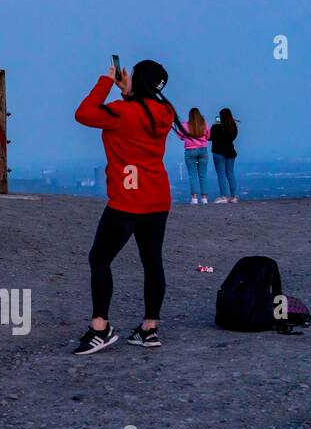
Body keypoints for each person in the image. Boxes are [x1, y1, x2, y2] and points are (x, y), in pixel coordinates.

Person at [72, 60, 182, 354]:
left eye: (131, 74)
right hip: (157, 199)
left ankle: (100, 327)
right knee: (152, 262)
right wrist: (129, 93)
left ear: (140, 80)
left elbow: (83, 114)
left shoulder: (122, 113)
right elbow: (140, 113)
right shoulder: (165, 112)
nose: (126, 76)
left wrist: (107, 82)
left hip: (126, 201)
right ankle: (149, 328)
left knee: (100, 259)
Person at [173, 107, 211, 204]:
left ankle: (194, 198)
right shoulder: (204, 124)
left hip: (190, 151)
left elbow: (180, 137)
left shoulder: (184, 125)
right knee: (203, 175)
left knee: (192, 175)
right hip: (203, 150)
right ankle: (204, 198)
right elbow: (208, 136)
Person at [210, 108, 240, 203]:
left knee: (221, 174)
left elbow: (210, 138)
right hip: (230, 152)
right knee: (230, 173)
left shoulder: (215, 127)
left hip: (218, 152)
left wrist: (216, 125)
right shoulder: (233, 127)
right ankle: (234, 196)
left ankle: (223, 196)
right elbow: (233, 137)